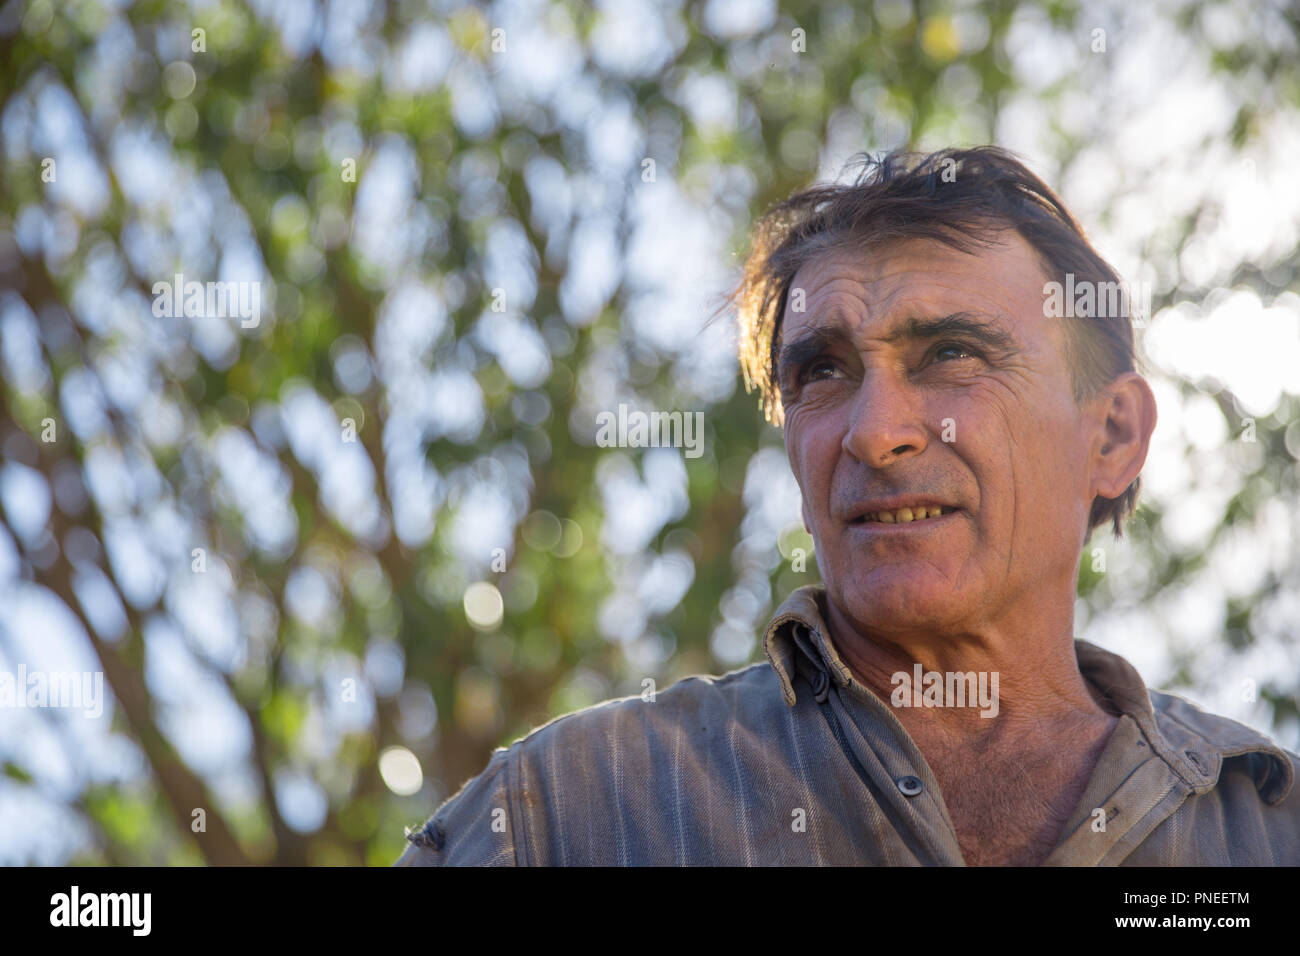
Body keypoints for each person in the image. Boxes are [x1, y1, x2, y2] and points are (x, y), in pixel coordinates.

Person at [395, 147, 1300, 866]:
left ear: (1111, 439)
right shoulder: (568, 814)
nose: (875, 433)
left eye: (951, 354)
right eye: (823, 371)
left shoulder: (1267, 830)